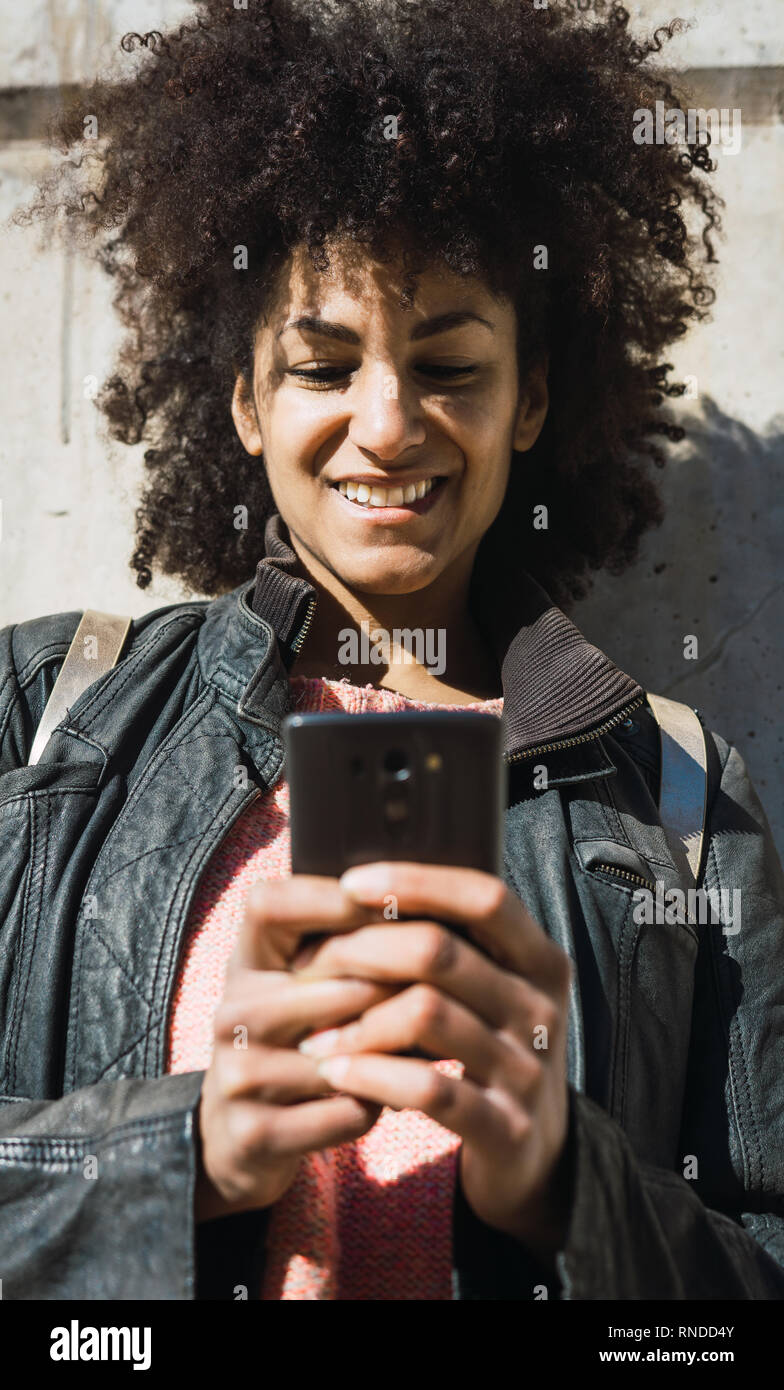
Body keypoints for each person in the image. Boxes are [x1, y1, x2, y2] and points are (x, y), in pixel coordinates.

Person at [2, 0, 783, 1301]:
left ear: (531, 396)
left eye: (449, 365)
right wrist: (177, 1151)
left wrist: (569, 1187)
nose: (387, 423)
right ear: (245, 402)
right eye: (321, 364)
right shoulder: (41, 714)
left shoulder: (684, 795)